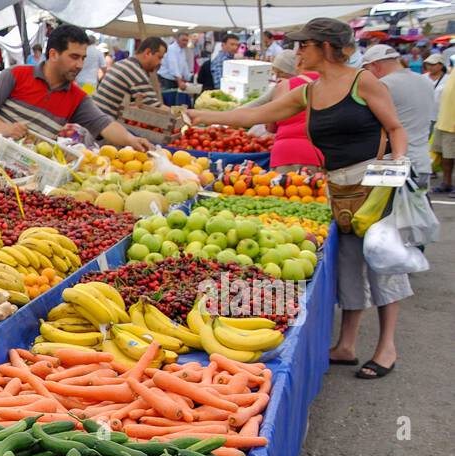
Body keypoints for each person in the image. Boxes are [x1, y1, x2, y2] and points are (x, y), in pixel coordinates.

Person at [188, 18, 409, 381]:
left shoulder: (362, 81)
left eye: (302, 45)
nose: (296, 53)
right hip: (336, 189)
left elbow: (395, 128)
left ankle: (387, 347)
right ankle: (347, 345)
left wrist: (395, 168)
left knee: (382, 263)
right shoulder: (309, 91)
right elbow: (257, 115)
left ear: (324, 47)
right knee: (350, 264)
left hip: (375, 186)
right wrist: (202, 116)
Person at [0, 25, 155, 159]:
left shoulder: (77, 98)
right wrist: (3, 128)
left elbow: (104, 124)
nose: (79, 64)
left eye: (83, 58)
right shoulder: (17, 75)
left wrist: (131, 140)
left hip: (12, 169)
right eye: (74, 57)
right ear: (53, 54)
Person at [362, 43, 434, 188]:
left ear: (375, 65)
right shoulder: (426, 81)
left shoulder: (383, 85)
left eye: (366, 69)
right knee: (420, 207)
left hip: (394, 162)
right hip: (422, 161)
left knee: (389, 210)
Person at [255, 50, 323, 173]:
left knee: (284, 190)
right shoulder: (331, 85)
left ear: (299, 63)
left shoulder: (284, 86)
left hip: (286, 154)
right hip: (320, 153)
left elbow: (271, 127)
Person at [92, 36, 166, 122]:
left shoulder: (123, 63)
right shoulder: (135, 72)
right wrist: (180, 113)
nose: (160, 62)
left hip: (97, 117)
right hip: (103, 124)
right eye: (159, 57)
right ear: (148, 52)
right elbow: (155, 107)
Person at [434, 65, 455, 191]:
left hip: (451, 123)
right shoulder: (451, 71)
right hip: (443, 121)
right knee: (446, 157)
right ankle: (446, 183)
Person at [159, 34, 194, 103]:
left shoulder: (182, 51)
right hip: (166, 80)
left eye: (187, 40)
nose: (185, 42)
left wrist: (191, 77)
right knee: (169, 102)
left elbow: (184, 68)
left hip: (175, 80)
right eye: (183, 40)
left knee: (176, 102)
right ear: (177, 39)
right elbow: (173, 67)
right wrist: (180, 82)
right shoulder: (171, 49)